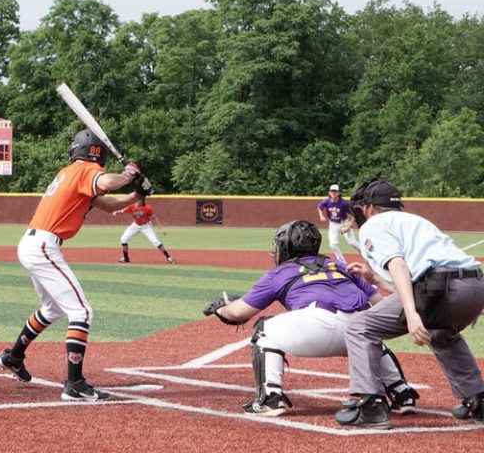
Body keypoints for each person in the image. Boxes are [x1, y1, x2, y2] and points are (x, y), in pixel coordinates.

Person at [203, 220, 418, 417]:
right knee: (367, 332)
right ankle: (401, 393)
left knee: (263, 328)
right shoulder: (341, 265)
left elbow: (238, 313)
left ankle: (270, 398)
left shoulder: (279, 273)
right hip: (358, 330)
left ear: (286, 247)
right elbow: (382, 304)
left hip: (317, 327)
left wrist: (220, 309)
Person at [0, 129, 149, 401]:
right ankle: (75, 384)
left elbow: (108, 203)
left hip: (34, 244)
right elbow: (108, 182)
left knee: (52, 309)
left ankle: (14, 356)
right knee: (81, 312)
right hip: (43, 246)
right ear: (96, 153)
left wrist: (137, 194)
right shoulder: (85, 170)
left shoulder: (69, 172)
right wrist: (128, 175)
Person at [334, 178, 484, 429]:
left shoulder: (374, 224)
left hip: (442, 290)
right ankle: (477, 399)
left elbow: (399, 265)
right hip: (475, 286)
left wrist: (413, 315)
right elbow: (413, 286)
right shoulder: (417, 221)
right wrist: (374, 279)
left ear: (369, 208)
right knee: (441, 333)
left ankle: (370, 405)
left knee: (360, 326)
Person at [113, 198, 175, 264]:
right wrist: (116, 212)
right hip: (136, 225)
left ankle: (169, 257)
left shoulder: (148, 208)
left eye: (139, 200)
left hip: (146, 226)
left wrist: (161, 229)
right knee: (123, 238)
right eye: (136, 200)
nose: (137, 201)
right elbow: (123, 211)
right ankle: (126, 258)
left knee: (155, 241)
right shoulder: (132, 206)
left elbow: (154, 218)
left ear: (142, 200)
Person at [317, 184, 360, 262]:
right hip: (333, 224)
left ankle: (366, 254)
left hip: (343, 223)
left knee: (352, 242)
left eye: (335, 191)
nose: (333, 193)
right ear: (329, 193)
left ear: (339, 193)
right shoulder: (326, 201)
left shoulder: (344, 203)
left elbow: (354, 213)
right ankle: (342, 262)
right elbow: (320, 207)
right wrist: (321, 216)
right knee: (333, 244)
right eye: (332, 191)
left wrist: (350, 223)